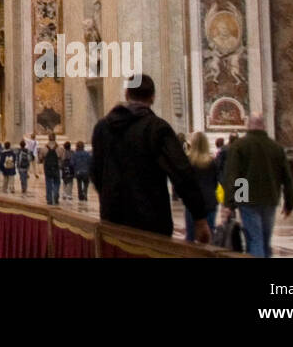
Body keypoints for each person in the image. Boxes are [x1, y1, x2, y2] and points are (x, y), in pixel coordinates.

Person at [90, 75, 210, 241]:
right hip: (150, 221)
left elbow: (95, 172)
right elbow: (182, 173)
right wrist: (199, 217)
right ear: (153, 97)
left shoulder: (102, 128)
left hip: (112, 219)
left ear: (126, 94)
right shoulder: (157, 128)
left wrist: (110, 197)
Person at [222, 113, 293, 258]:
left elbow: (234, 176)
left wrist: (231, 203)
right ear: (264, 126)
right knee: (265, 240)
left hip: (247, 200)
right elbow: (287, 178)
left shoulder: (239, 146)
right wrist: (289, 203)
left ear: (248, 125)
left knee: (255, 239)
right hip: (270, 199)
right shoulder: (276, 147)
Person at [184, 132, 219, 242]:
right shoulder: (212, 162)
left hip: (193, 202)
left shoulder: (188, 161)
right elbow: (216, 182)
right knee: (209, 236)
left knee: (190, 236)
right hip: (210, 201)